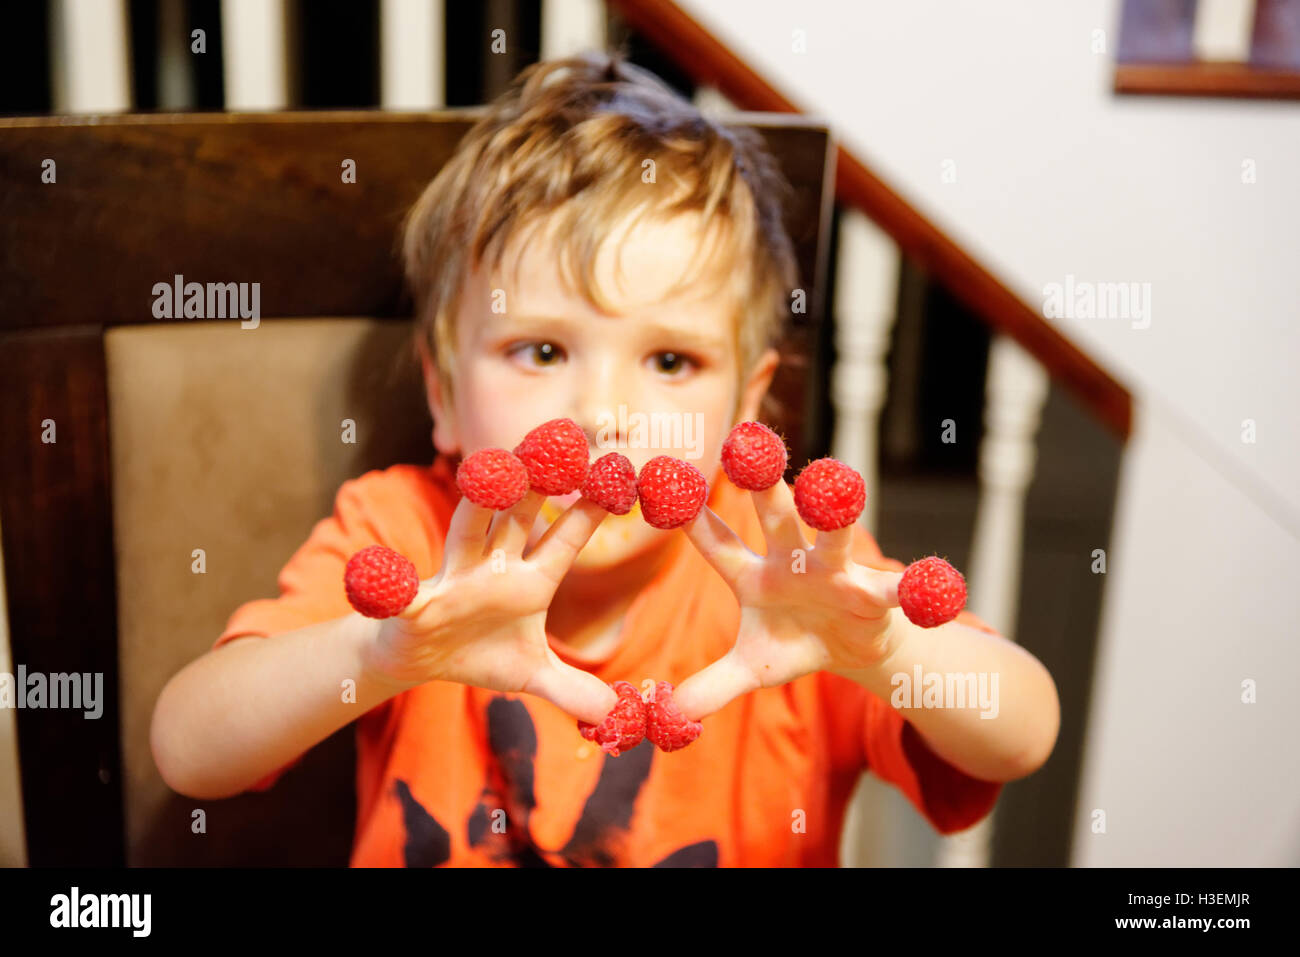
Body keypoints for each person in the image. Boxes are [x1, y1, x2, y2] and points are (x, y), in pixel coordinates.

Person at [150, 51, 1060, 867]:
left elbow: (1019, 732)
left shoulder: (794, 578)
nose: (604, 414)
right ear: (441, 395)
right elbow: (191, 748)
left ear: (746, 405)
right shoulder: (406, 534)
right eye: (541, 352)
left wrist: (881, 647)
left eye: (671, 361)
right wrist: (381, 652)